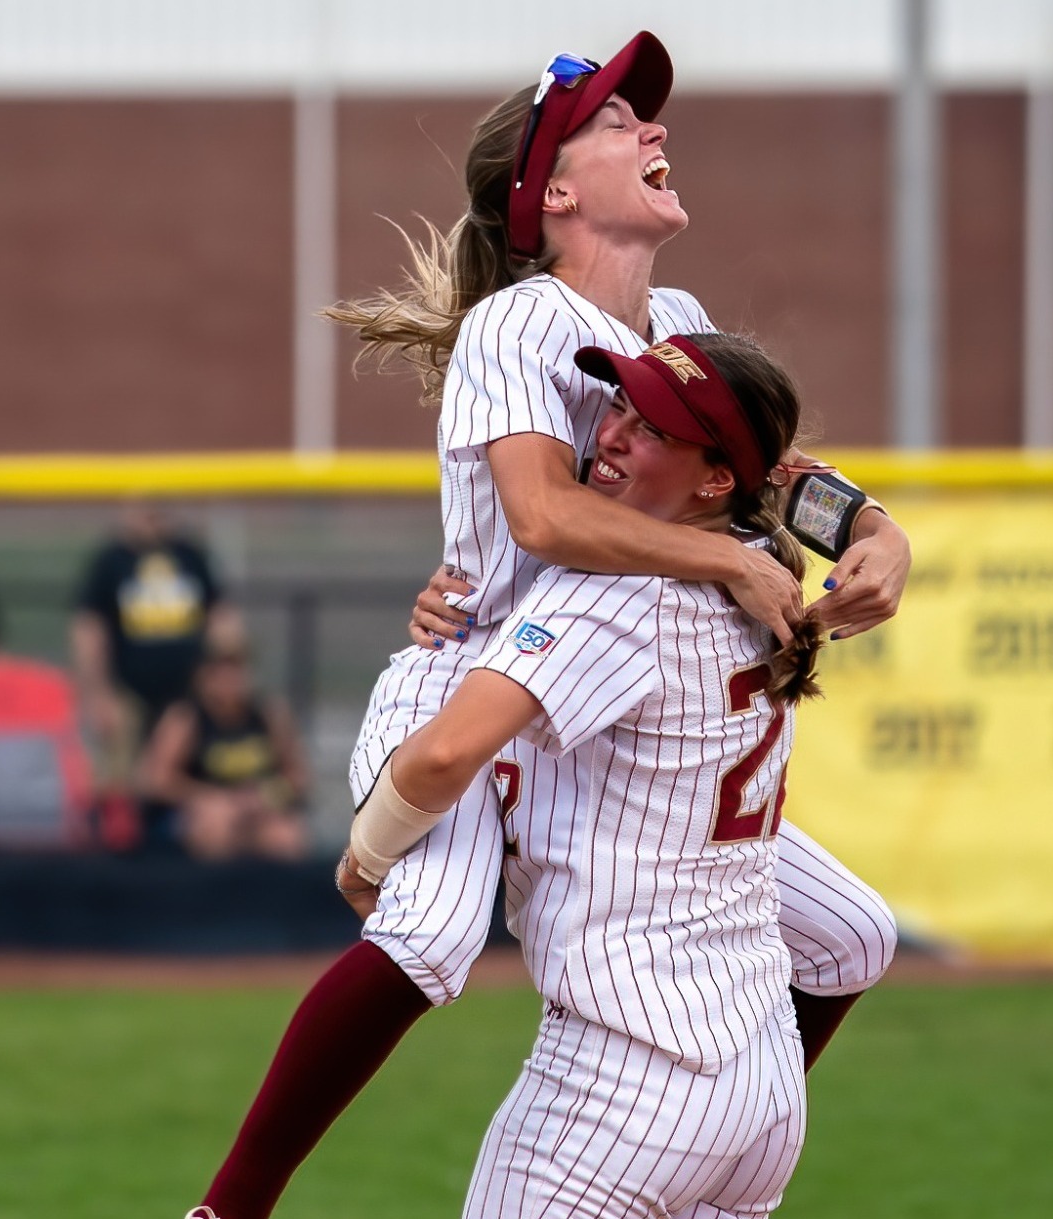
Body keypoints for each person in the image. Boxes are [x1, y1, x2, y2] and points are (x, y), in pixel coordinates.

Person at [190, 33, 903, 1219]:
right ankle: (227, 1206)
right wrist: (724, 562)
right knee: (425, 939)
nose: (654, 130)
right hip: (480, 676)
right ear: (554, 192)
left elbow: (758, 465)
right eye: (619, 123)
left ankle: (718, 1107)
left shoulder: (671, 311)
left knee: (851, 932)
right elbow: (538, 513)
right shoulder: (520, 320)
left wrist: (876, 528)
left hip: (604, 706)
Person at [346, 333, 833, 1216]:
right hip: (759, 1077)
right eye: (618, 407)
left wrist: (366, 857)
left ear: (718, 478)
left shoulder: (618, 597)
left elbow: (445, 753)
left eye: (651, 430)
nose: (609, 433)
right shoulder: (757, 570)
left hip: (623, 1079)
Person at [71, 499, 239, 852]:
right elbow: (90, 631)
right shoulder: (113, 560)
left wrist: (222, 682)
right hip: (128, 693)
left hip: (186, 696)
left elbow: (220, 620)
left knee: (181, 780)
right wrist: (98, 695)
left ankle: (178, 853)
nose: (152, 517)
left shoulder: (189, 556)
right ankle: (119, 860)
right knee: (120, 785)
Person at [140, 640, 312, 862]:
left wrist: (265, 796)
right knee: (217, 824)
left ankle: (277, 895)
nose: (229, 681)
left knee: (286, 835)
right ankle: (216, 894)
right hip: (199, 809)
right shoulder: (186, 718)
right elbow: (155, 780)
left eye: (236, 671)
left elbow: (298, 776)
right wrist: (209, 797)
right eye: (220, 673)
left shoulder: (268, 715)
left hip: (257, 806)